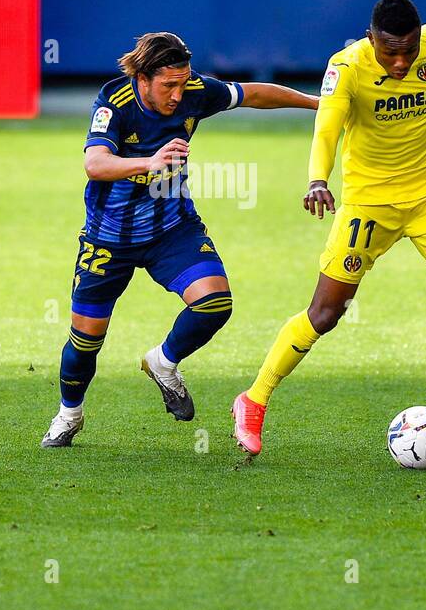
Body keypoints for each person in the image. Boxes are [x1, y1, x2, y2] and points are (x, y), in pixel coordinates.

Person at [233, 0, 426, 464]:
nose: (401, 62)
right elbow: (326, 128)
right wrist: (317, 180)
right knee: (325, 313)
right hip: (368, 205)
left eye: (408, 50)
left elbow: (425, 47)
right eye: (390, 52)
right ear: (370, 39)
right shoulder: (346, 68)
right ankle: (254, 399)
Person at [41, 31, 318, 448]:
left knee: (215, 303)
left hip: (172, 228)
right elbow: (95, 164)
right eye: (168, 85)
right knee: (86, 340)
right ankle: (70, 414)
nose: (176, 94)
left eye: (181, 82)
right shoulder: (114, 104)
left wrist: (317, 104)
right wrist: (149, 162)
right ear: (142, 77)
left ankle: (164, 362)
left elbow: (253, 94)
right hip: (109, 238)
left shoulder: (194, 91)